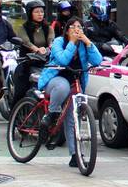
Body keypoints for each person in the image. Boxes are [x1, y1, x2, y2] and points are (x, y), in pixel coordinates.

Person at [38, 16, 102, 168]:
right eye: (73, 27)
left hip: (76, 82)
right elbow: (63, 60)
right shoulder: (60, 42)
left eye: (79, 27)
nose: (76, 30)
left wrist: (87, 43)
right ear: (67, 31)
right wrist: (72, 43)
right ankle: (52, 114)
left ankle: (75, 155)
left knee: (73, 119)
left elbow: (98, 61)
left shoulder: (83, 44)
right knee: (63, 87)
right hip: (55, 80)